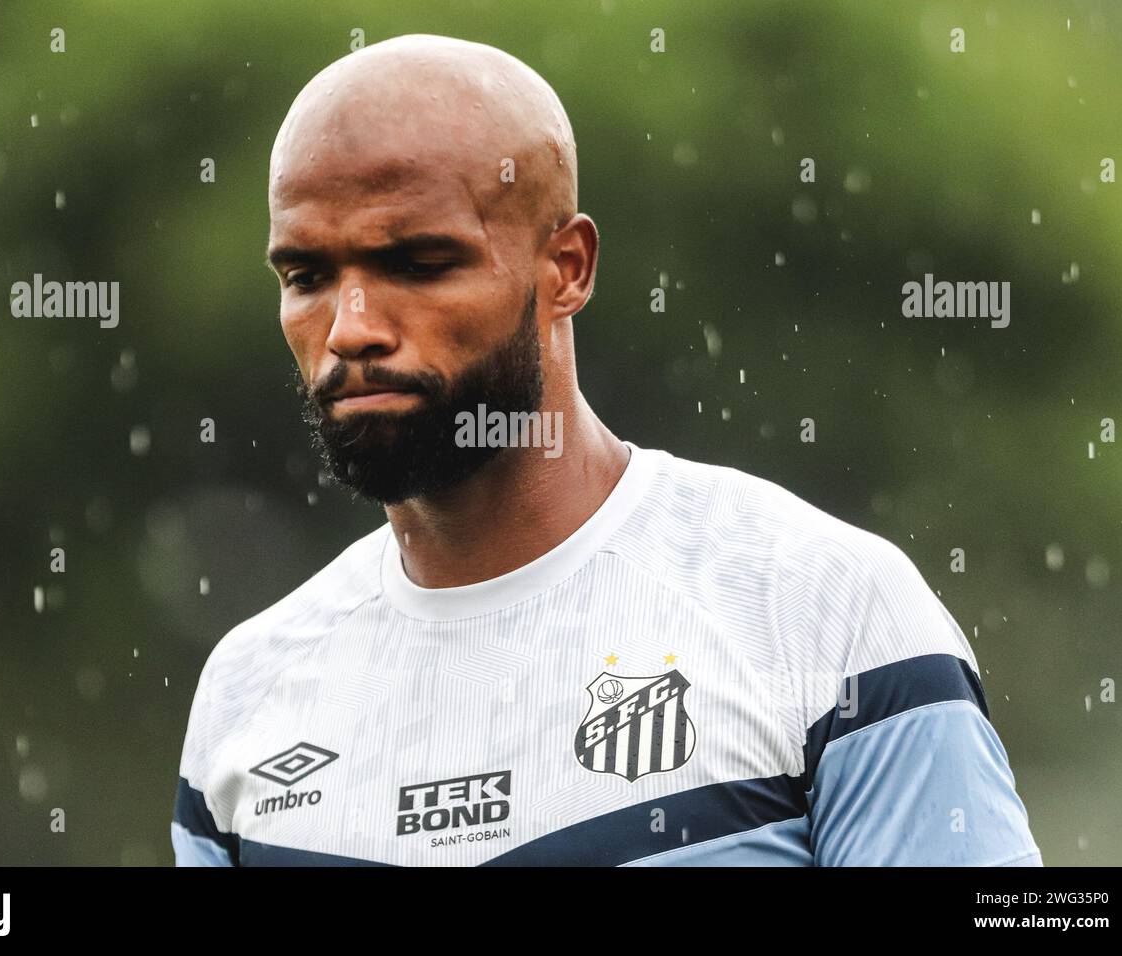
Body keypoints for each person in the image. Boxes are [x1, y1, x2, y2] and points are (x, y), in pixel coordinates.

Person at [171, 33, 1041, 866]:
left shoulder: (824, 614)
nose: (350, 330)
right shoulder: (250, 694)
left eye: (420, 263)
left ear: (568, 268)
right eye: (307, 277)